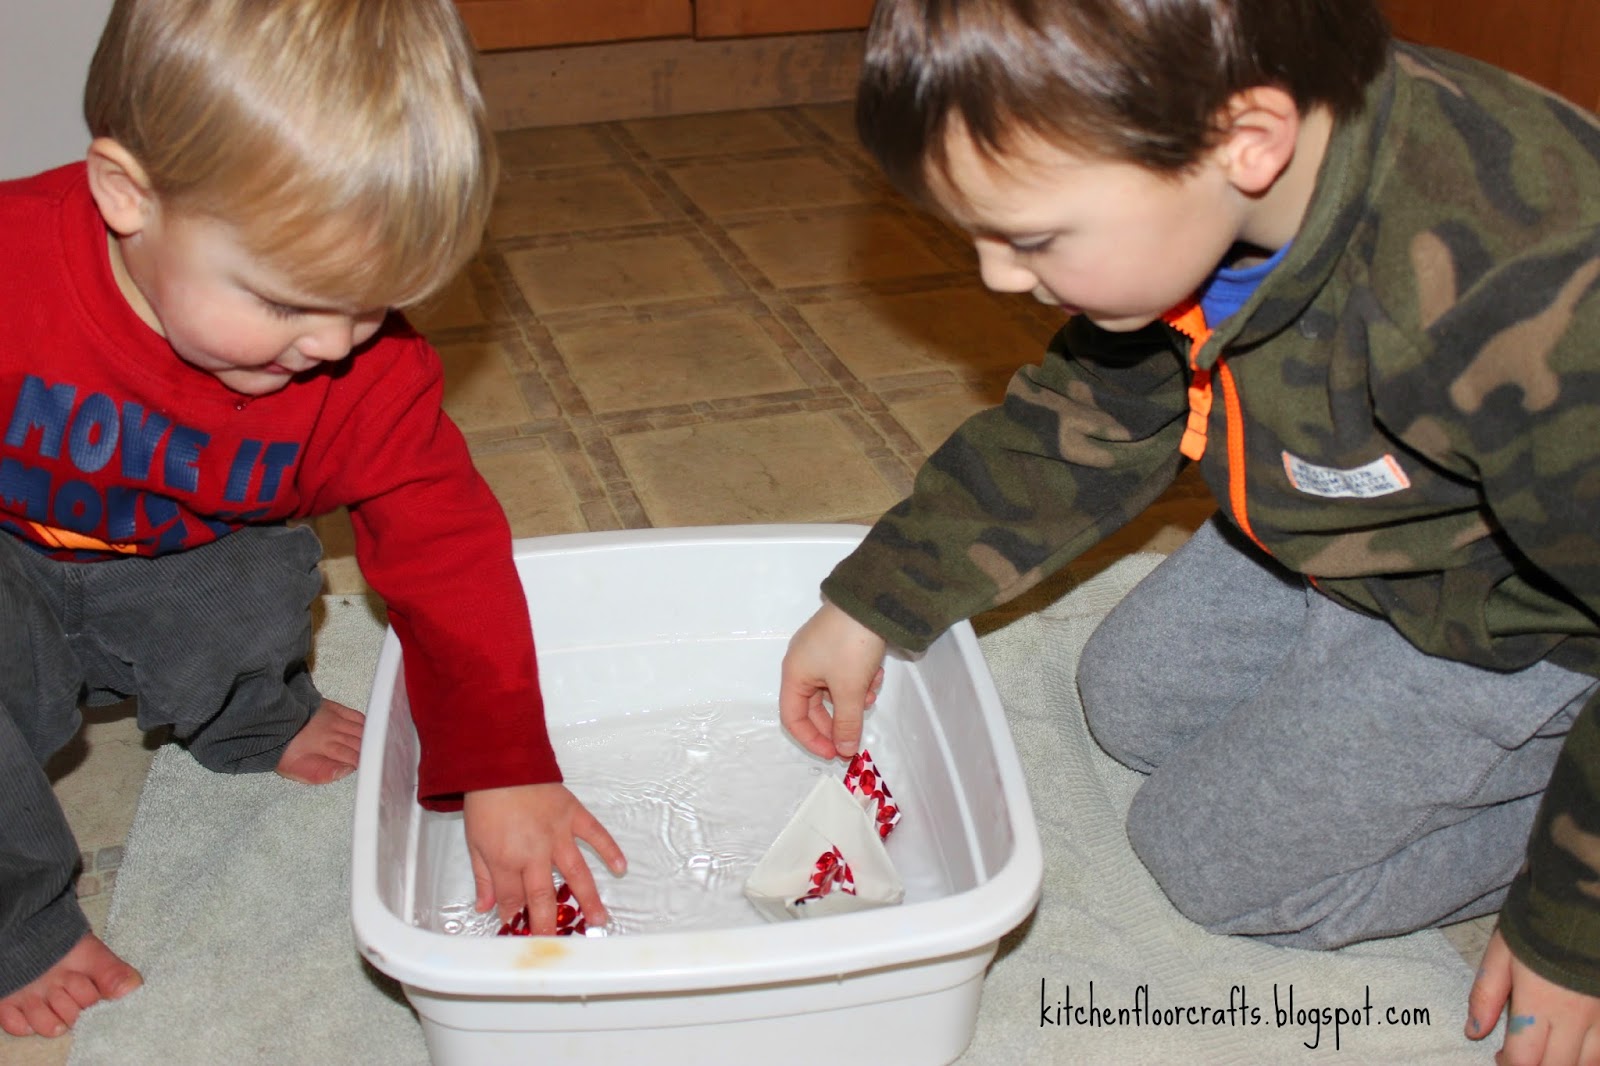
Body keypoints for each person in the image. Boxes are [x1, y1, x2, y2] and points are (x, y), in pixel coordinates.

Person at [777, 1, 1600, 1061]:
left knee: (1202, 860)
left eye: (1030, 238)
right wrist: (874, 604)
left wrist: (1570, 931)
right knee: (1127, 702)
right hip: (1366, 510)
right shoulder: (1225, 164)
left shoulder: (1526, 297)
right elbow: (1083, 423)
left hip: (1521, 616)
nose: (994, 277)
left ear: (1245, 144)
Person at [0, 0, 625, 1040]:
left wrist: (504, 759)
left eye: (371, 304)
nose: (333, 345)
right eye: (287, 303)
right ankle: (17, 920)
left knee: (266, 581)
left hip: (189, 556)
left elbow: (447, 556)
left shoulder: (364, 371)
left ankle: (249, 712)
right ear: (125, 195)